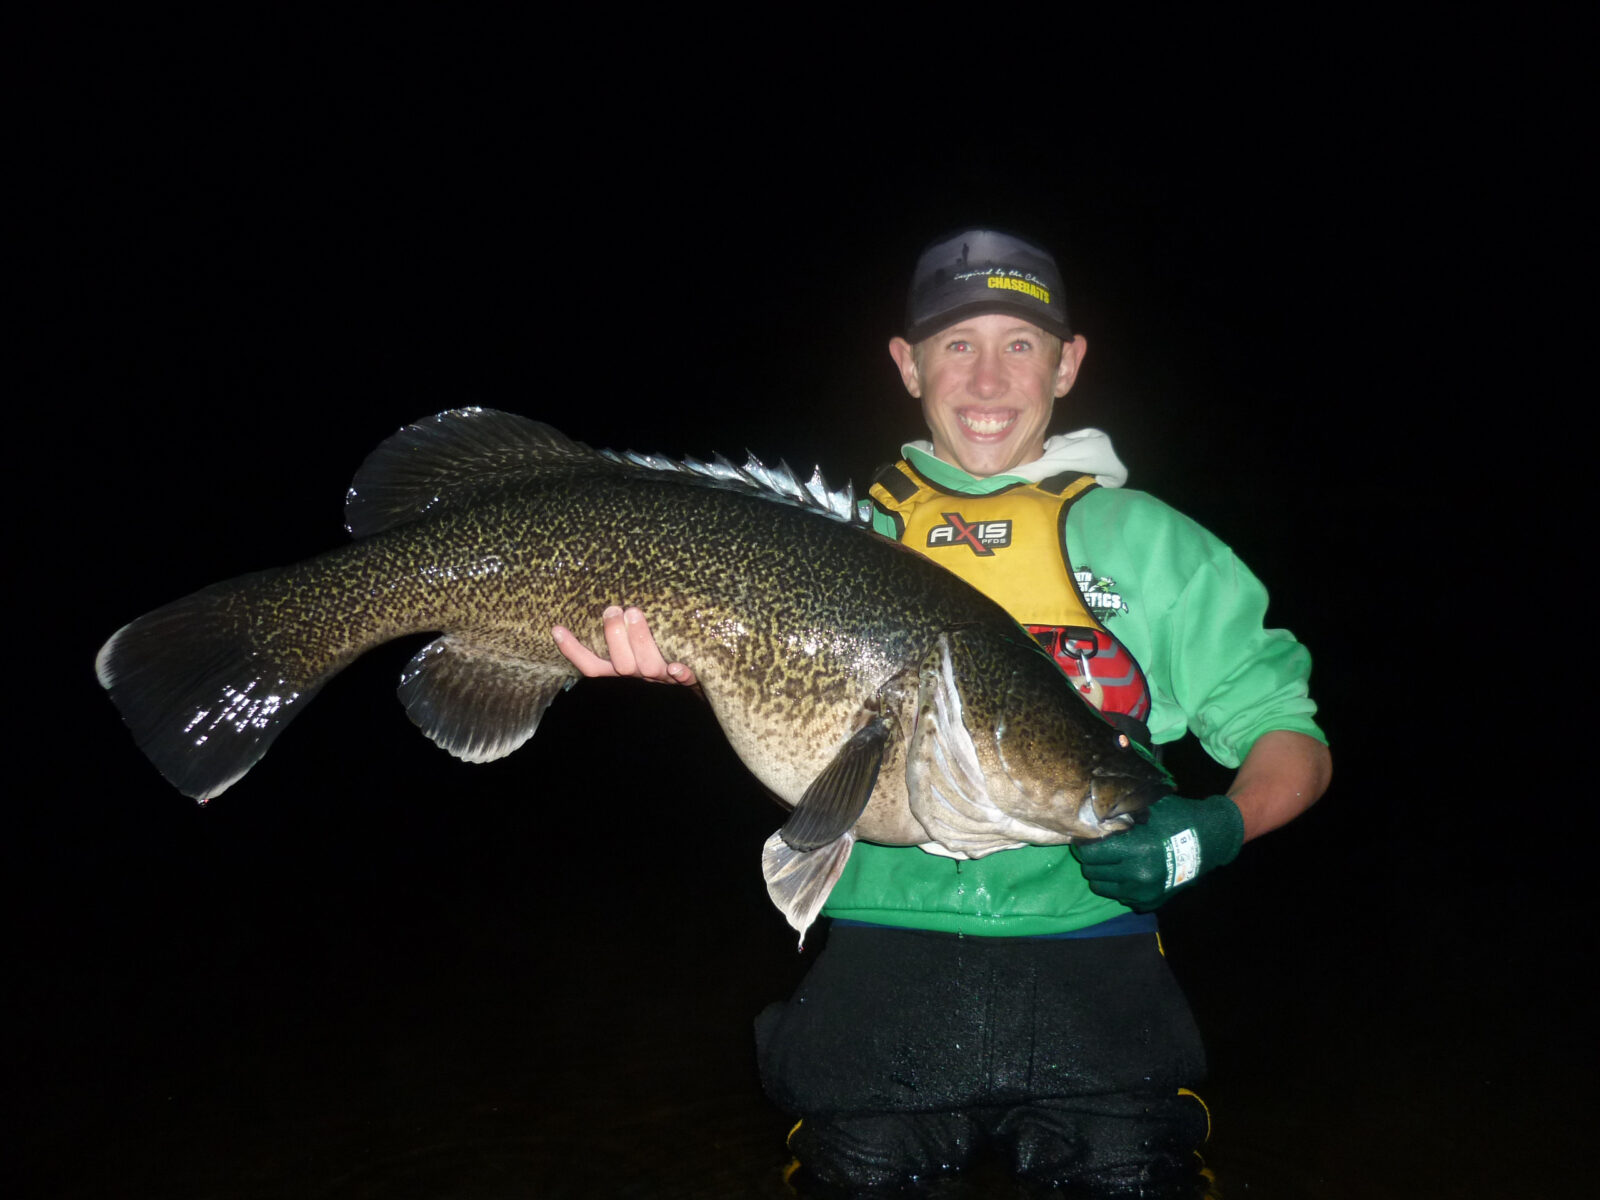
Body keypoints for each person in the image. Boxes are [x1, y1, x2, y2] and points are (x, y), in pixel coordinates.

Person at [552, 230, 1330, 1196]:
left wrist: (1220, 824)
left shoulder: (1165, 549)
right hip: (878, 984)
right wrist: (676, 656)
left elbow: (1288, 735)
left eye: (1020, 343)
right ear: (907, 364)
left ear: (1069, 361)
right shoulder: (842, 537)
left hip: (1101, 984)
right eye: (958, 345)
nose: (990, 379)